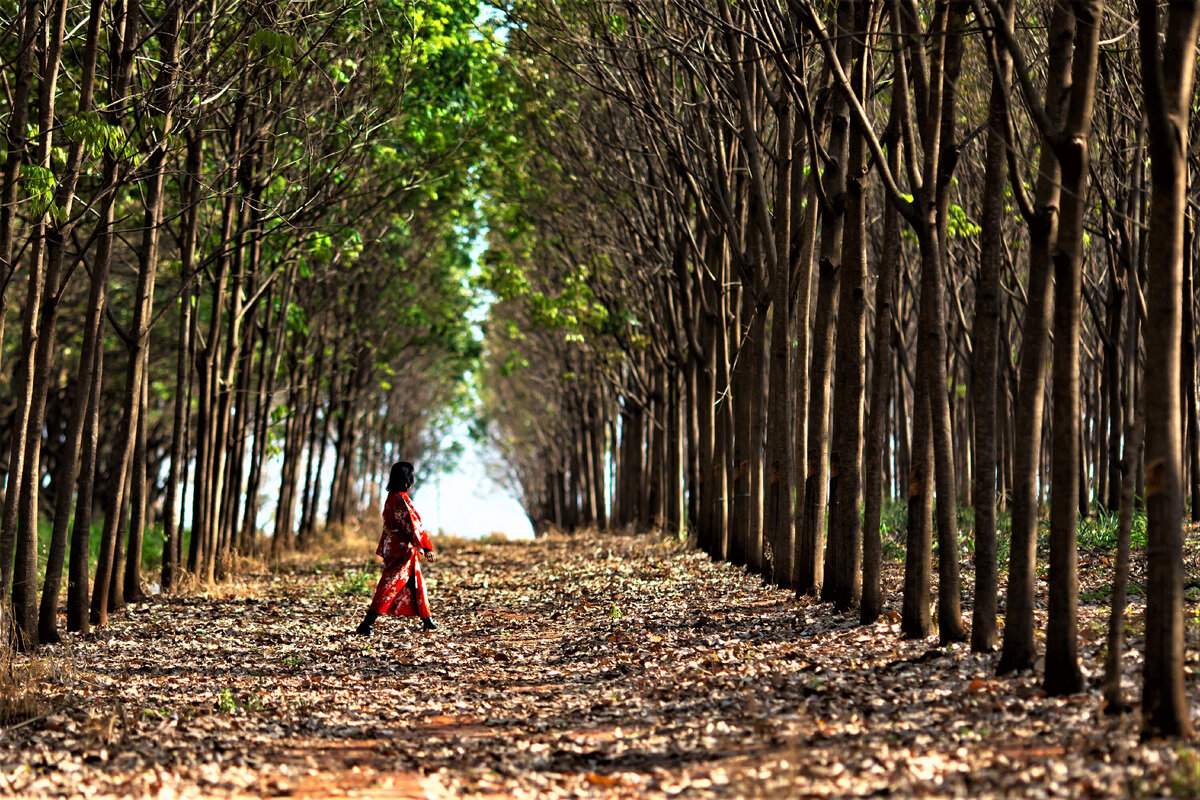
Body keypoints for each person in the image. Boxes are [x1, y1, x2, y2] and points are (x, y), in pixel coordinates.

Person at [355, 461, 438, 635]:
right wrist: (427, 547)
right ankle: (367, 623)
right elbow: (412, 525)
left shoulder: (393, 497)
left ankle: (427, 620)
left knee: (416, 583)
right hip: (402, 550)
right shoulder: (399, 498)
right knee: (389, 584)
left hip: (399, 547)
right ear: (406, 479)